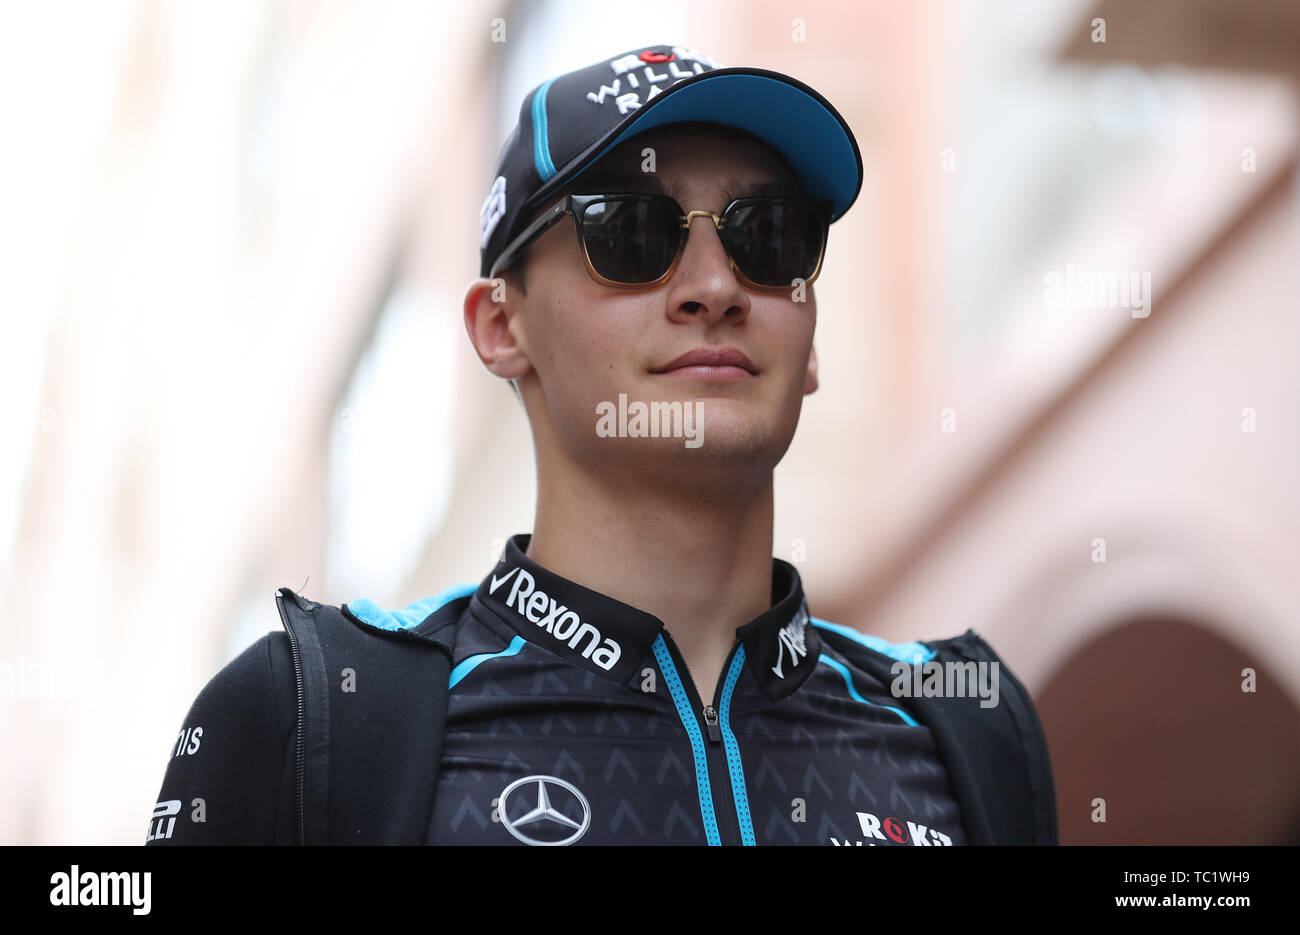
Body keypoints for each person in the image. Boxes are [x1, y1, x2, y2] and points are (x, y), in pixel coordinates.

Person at [146, 43, 1057, 846]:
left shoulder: (961, 723)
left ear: (808, 337)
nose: (714, 287)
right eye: (630, 232)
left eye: (766, 237)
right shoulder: (315, 714)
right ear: (501, 326)